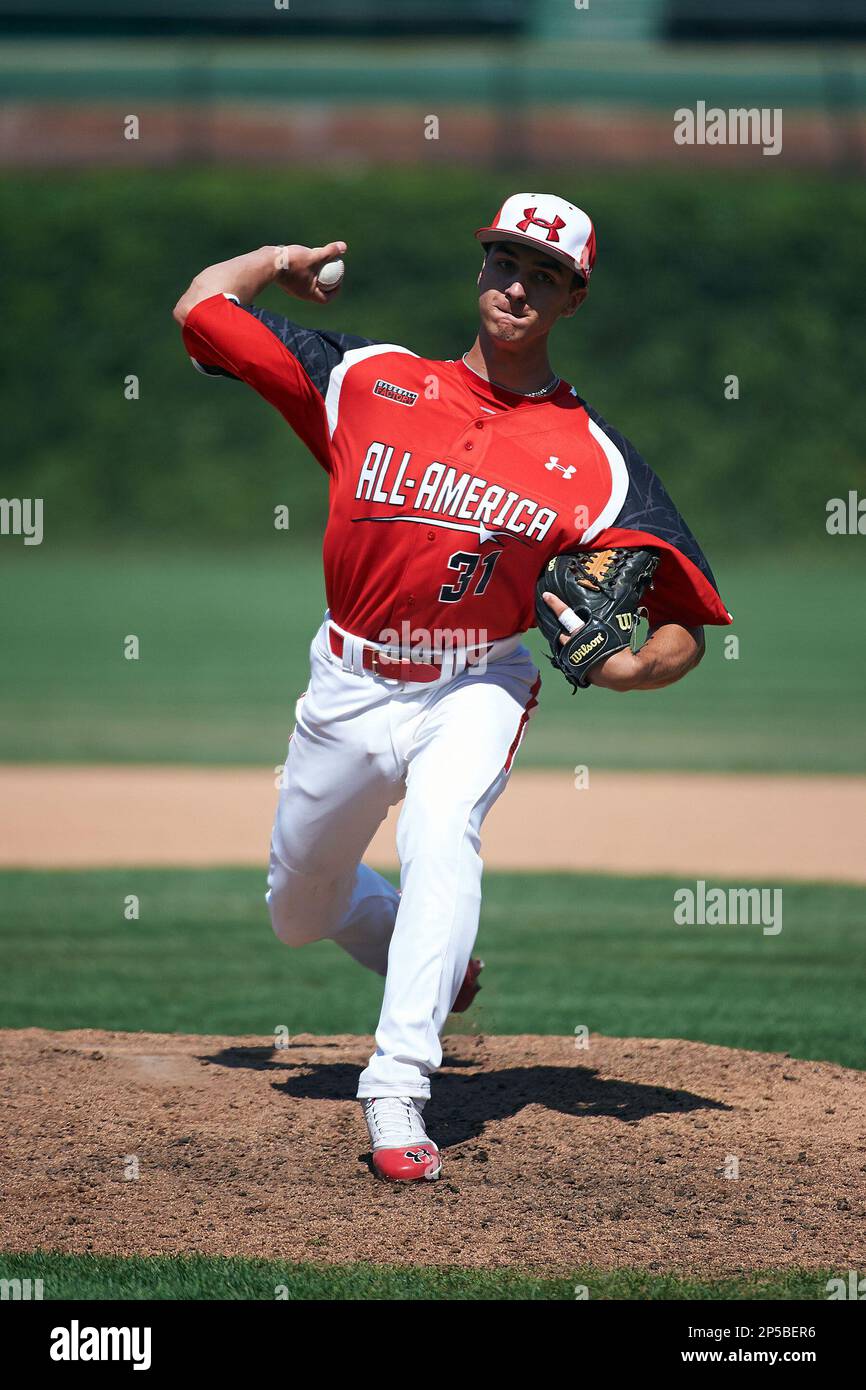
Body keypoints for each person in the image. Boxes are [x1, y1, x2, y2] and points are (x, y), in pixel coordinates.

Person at [173, 192, 729, 1183]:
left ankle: (395, 1088)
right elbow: (201, 310)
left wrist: (641, 668)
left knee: (443, 832)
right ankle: (419, 949)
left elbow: (686, 612)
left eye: (542, 274)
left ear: (571, 299)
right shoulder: (366, 378)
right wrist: (275, 256)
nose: (516, 283)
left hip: (474, 681)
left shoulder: (596, 465)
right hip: (346, 676)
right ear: (478, 269)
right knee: (296, 911)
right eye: (503, 261)